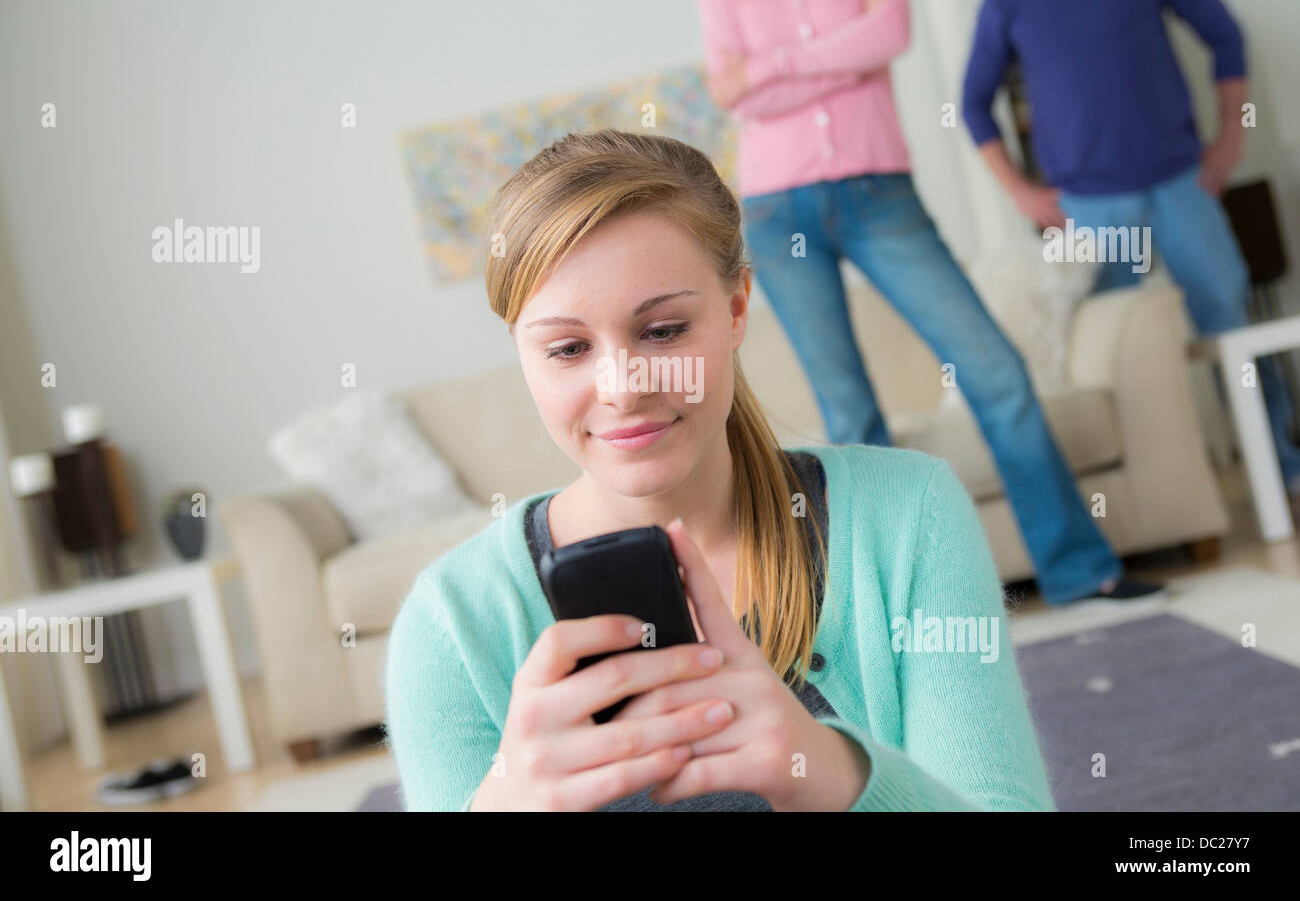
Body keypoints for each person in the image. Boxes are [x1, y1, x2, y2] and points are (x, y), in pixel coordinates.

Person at [384, 128, 1055, 812]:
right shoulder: (451, 625)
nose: (622, 387)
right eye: (566, 348)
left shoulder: (910, 514)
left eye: (664, 331)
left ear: (736, 310)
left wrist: (833, 772)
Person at [696, 0, 1157, 602]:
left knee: (994, 369)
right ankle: (900, 608)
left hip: (881, 195)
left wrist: (772, 70)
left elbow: (888, 37)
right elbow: (727, 90)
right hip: (777, 211)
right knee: (848, 409)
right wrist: (843, 53)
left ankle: (1081, 571)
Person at [962, 0, 1300, 491]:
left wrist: (1232, 135)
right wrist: (1019, 191)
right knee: (1108, 352)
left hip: (1180, 186)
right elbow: (973, 102)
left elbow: (1226, 35)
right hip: (1088, 210)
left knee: (1231, 326)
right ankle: (1148, 494)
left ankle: (1285, 472)